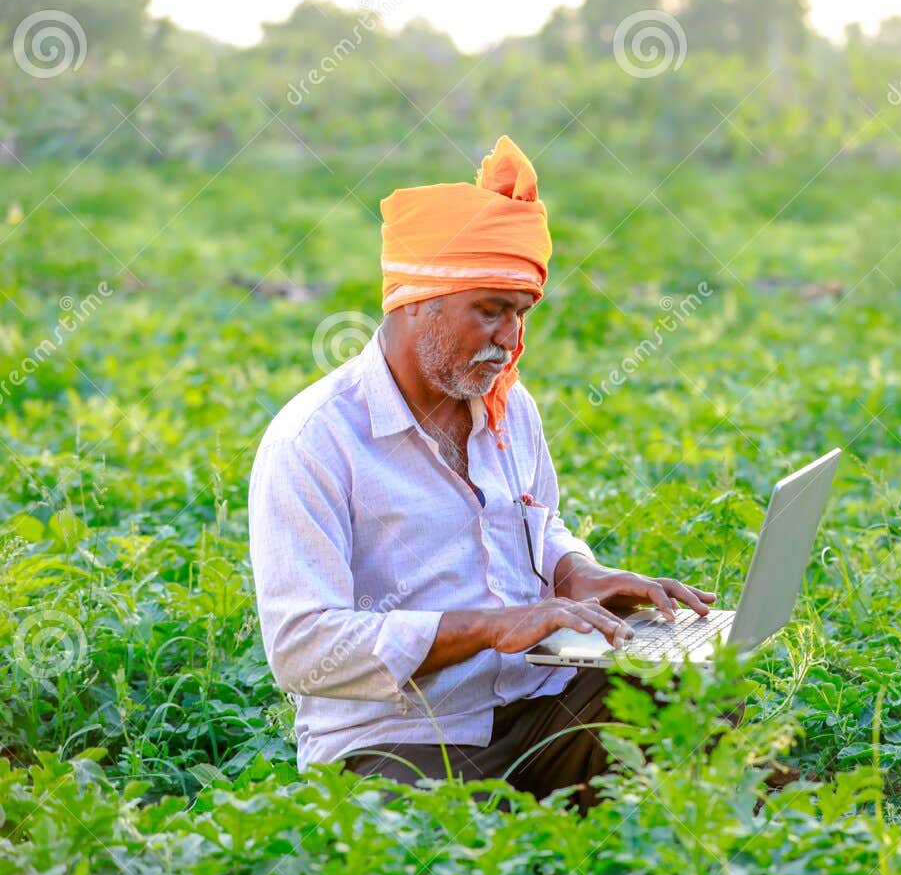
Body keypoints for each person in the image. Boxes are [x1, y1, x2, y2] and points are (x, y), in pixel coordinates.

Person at [247, 134, 717, 810]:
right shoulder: (315, 440)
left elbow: (537, 521)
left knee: (693, 710)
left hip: (533, 707)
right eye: (490, 311)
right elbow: (301, 649)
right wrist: (485, 627)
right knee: (447, 857)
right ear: (418, 300)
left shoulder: (508, 408)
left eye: (520, 314)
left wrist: (576, 573)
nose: (510, 339)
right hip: (396, 742)